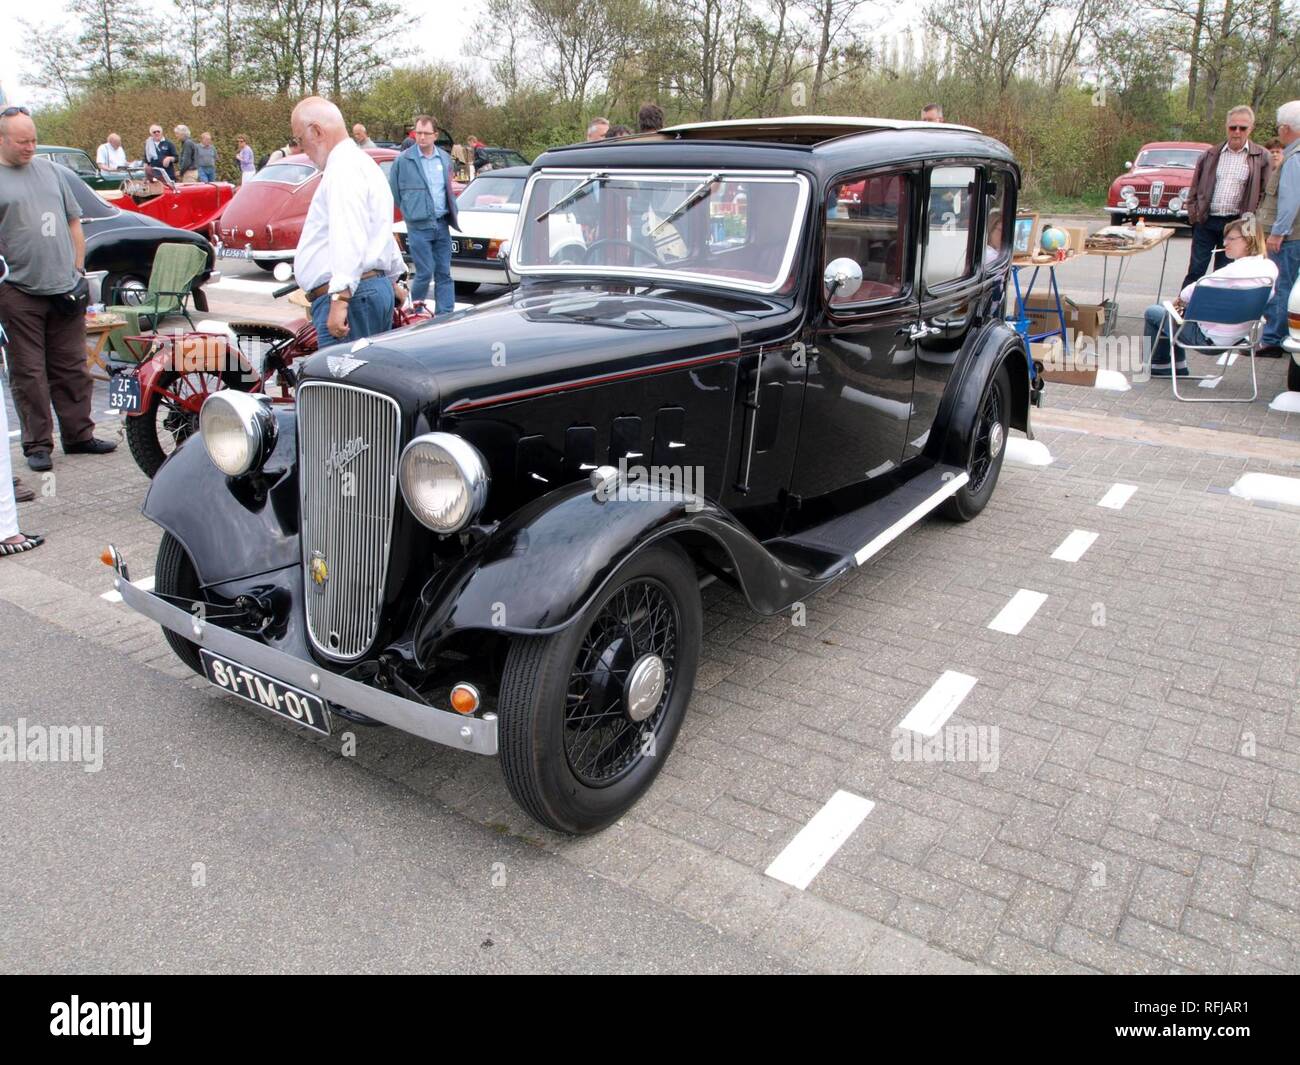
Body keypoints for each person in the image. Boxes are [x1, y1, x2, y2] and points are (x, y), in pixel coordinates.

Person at [0, 106, 116, 471]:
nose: (30, 147)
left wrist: (78, 269)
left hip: (65, 287)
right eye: (22, 141)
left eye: (33, 139)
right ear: (2, 140)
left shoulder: (51, 171)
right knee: (29, 373)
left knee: (72, 367)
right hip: (18, 291)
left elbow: (73, 221)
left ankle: (79, 435)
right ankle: (37, 445)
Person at [291, 97, 407, 347]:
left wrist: (340, 298)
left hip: (354, 297)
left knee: (340, 384)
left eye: (300, 140)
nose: (302, 150)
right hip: (365, 291)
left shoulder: (342, 168)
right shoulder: (361, 162)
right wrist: (392, 278)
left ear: (317, 131)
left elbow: (349, 231)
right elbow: (378, 228)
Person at [1142, 215, 1278, 376]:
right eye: (1225, 238)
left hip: (1209, 339)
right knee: (1172, 313)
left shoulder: (1230, 272)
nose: (1225, 243)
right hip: (1239, 336)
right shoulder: (1270, 268)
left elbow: (1187, 294)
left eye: (1231, 239)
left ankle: (1160, 365)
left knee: (1153, 312)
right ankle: (1178, 365)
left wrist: (1180, 302)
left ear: (1248, 241)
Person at [1181, 105, 1272, 289]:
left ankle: (1218, 314)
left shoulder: (1262, 156)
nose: (1237, 132)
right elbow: (1195, 188)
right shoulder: (1210, 154)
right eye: (1233, 127)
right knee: (1196, 270)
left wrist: (1252, 224)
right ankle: (1184, 312)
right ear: (1226, 127)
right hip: (1207, 221)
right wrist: (1195, 215)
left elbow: (1266, 195)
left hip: (1239, 225)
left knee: (1227, 273)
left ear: (1251, 129)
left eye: (1242, 128)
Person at [389, 114, 458, 315]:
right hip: (418, 225)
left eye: (426, 133)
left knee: (444, 272)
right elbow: (395, 191)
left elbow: (447, 189)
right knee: (424, 272)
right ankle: (414, 312)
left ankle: (446, 314)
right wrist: (411, 211)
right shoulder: (404, 159)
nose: (421, 137)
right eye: (418, 133)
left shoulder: (444, 158)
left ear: (435, 135)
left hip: (442, 223)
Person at [1257, 100, 1300, 358]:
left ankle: (1274, 338)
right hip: (1293, 236)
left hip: (1289, 237)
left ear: (1286, 128)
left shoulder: (1294, 158)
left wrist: (1277, 233)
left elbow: (1290, 200)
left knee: (1282, 286)